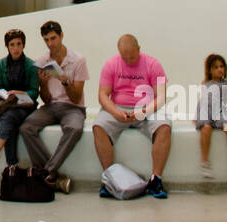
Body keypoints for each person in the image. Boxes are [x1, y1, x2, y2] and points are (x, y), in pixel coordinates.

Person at [93, 34, 171, 198]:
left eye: (132, 56)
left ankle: (156, 179)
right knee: (98, 126)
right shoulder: (110, 64)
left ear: (139, 49)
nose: (128, 61)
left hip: (146, 108)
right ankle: (110, 180)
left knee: (164, 126)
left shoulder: (154, 64)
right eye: (124, 57)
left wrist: (142, 112)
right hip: (119, 108)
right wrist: (116, 112)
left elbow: (161, 96)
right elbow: (102, 95)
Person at [20, 20, 88, 193]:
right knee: (27, 127)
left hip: (73, 107)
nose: (50, 44)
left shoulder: (78, 60)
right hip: (51, 106)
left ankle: (46, 172)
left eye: (53, 38)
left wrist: (65, 81)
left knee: (74, 128)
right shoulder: (42, 61)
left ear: (61, 36)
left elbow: (76, 97)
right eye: (46, 40)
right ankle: (52, 176)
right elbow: (45, 98)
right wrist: (43, 84)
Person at [0, 29, 40, 172]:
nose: (16, 48)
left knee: (10, 117)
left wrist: (20, 93)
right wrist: (7, 95)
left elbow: (34, 92)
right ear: (7, 46)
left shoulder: (31, 65)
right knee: (10, 120)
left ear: (23, 45)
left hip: (24, 107)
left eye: (19, 44)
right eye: (12, 44)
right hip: (5, 106)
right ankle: (12, 167)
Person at [196, 54, 227, 179]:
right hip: (206, 111)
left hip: (219, 112)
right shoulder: (205, 83)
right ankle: (205, 162)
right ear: (209, 70)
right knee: (206, 128)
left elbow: (221, 101)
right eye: (216, 67)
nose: (220, 69)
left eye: (222, 67)